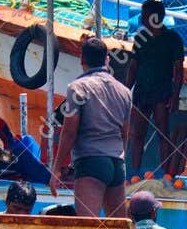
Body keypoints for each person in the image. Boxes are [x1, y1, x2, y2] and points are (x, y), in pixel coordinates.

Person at [53, 37, 131, 217]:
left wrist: (56, 169)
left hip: (90, 161)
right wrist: (120, 158)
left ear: (82, 60)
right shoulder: (124, 91)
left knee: (88, 228)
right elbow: (125, 133)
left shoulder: (78, 87)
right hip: (117, 163)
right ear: (107, 60)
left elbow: (70, 132)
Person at [125, 0, 187, 175]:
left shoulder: (173, 39)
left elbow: (178, 70)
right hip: (142, 92)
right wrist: (125, 90)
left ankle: (166, 175)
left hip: (162, 93)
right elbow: (133, 67)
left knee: (163, 135)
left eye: (144, 14)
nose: (142, 18)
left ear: (154, 16)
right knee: (137, 135)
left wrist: (175, 97)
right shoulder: (140, 38)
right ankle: (135, 173)